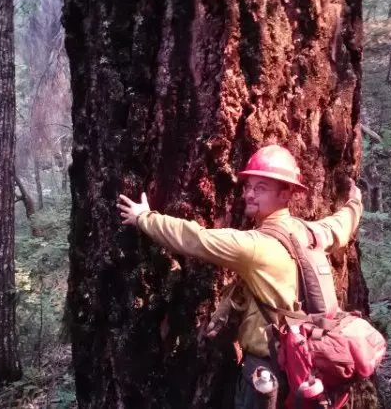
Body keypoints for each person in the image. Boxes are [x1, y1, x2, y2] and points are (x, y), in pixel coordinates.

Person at [117, 145, 363, 408]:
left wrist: (144, 218)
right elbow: (342, 224)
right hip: (309, 372)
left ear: (286, 194)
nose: (248, 194)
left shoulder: (254, 246)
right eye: (248, 186)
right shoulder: (313, 233)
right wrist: (356, 201)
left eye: (261, 188)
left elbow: (194, 238)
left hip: (268, 374)